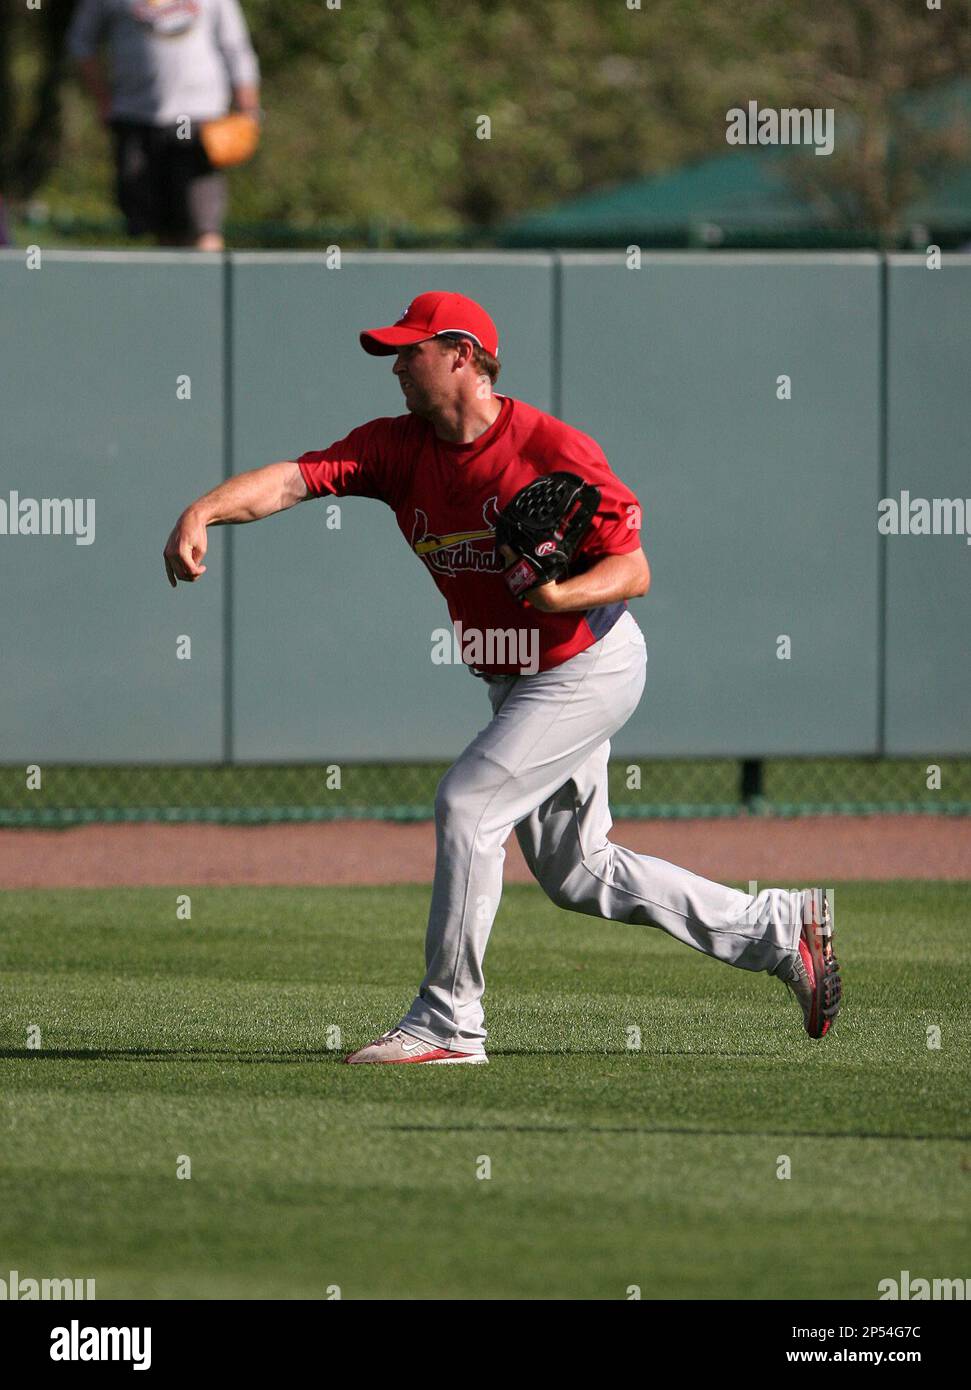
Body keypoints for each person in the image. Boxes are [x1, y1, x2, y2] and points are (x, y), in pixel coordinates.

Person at [162, 290, 842, 1064]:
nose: (395, 364)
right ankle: (780, 928)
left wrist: (560, 592)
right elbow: (292, 480)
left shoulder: (549, 447)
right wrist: (202, 512)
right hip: (517, 678)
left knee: (467, 805)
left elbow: (634, 567)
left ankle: (447, 1025)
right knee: (578, 872)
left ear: (461, 355)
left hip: (586, 663)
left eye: (407, 349)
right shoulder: (395, 448)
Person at [67, 0, 260, 250]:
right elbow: (81, 43)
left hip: (200, 121)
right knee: (158, 226)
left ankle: (208, 287)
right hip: (136, 119)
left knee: (203, 225)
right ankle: (175, 287)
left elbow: (236, 48)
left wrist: (248, 110)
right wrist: (103, 101)